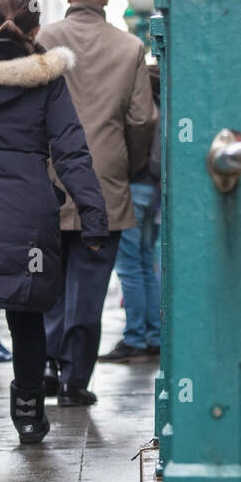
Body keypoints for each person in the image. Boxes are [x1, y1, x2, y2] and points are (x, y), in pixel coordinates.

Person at [0, 0, 108, 456]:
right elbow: (71, 152)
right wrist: (94, 216)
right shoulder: (47, 81)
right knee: (28, 318)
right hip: (31, 213)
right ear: (35, 31)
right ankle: (30, 417)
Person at [38, 0, 157, 383]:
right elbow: (143, 120)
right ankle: (75, 381)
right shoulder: (128, 49)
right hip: (106, 182)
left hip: (48, 181)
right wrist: (129, 162)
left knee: (48, 284)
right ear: (105, 0)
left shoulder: (43, 40)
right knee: (89, 290)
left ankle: (47, 365)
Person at [101, 62, 163, 362]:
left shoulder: (141, 97)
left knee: (129, 266)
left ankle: (136, 336)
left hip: (134, 185)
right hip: (154, 188)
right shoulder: (165, 94)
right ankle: (153, 334)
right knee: (146, 262)